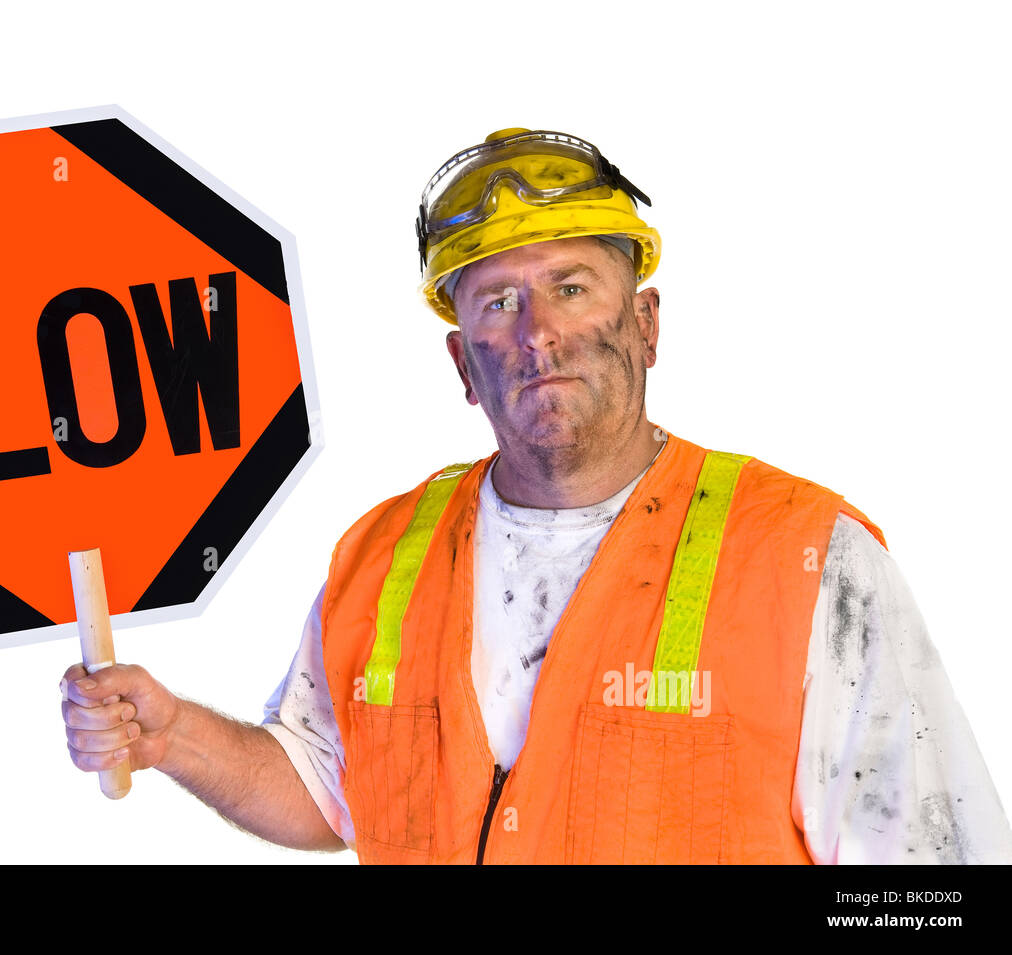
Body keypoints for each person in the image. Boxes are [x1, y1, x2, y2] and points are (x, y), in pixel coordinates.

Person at [60, 128, 1012, 864]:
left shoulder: (809, 559)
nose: (538, 333)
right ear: (461, 362)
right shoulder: (384, 555)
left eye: (569, 286)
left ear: (645, 322)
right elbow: (329, 786)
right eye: (498, 301)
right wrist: (173, 732)